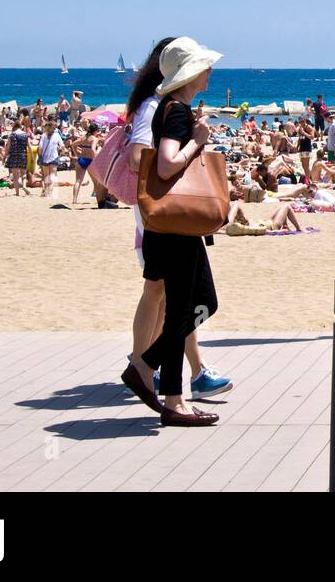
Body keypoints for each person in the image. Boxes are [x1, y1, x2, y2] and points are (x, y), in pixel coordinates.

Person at [122, 38, 231, 419]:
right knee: (194, 304)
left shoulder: (168, 108)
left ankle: (171, 397)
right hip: (175, 227)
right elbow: (167, 164)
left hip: (165, 225)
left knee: (184, 307)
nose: (211, 71)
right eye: (205, 66)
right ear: (191, 73)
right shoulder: (177, 112)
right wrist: (197, 143)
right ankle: (146, 368)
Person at [37, 120, 63, 198]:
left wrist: (40, 156)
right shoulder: (57, 135)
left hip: (44, 158)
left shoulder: (43, 136)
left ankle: (46, 192)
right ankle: (50, 192)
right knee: (52, 176)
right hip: (54, 157)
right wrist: (61, 152)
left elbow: (40, 148)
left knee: (46, 176)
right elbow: (62, 146)